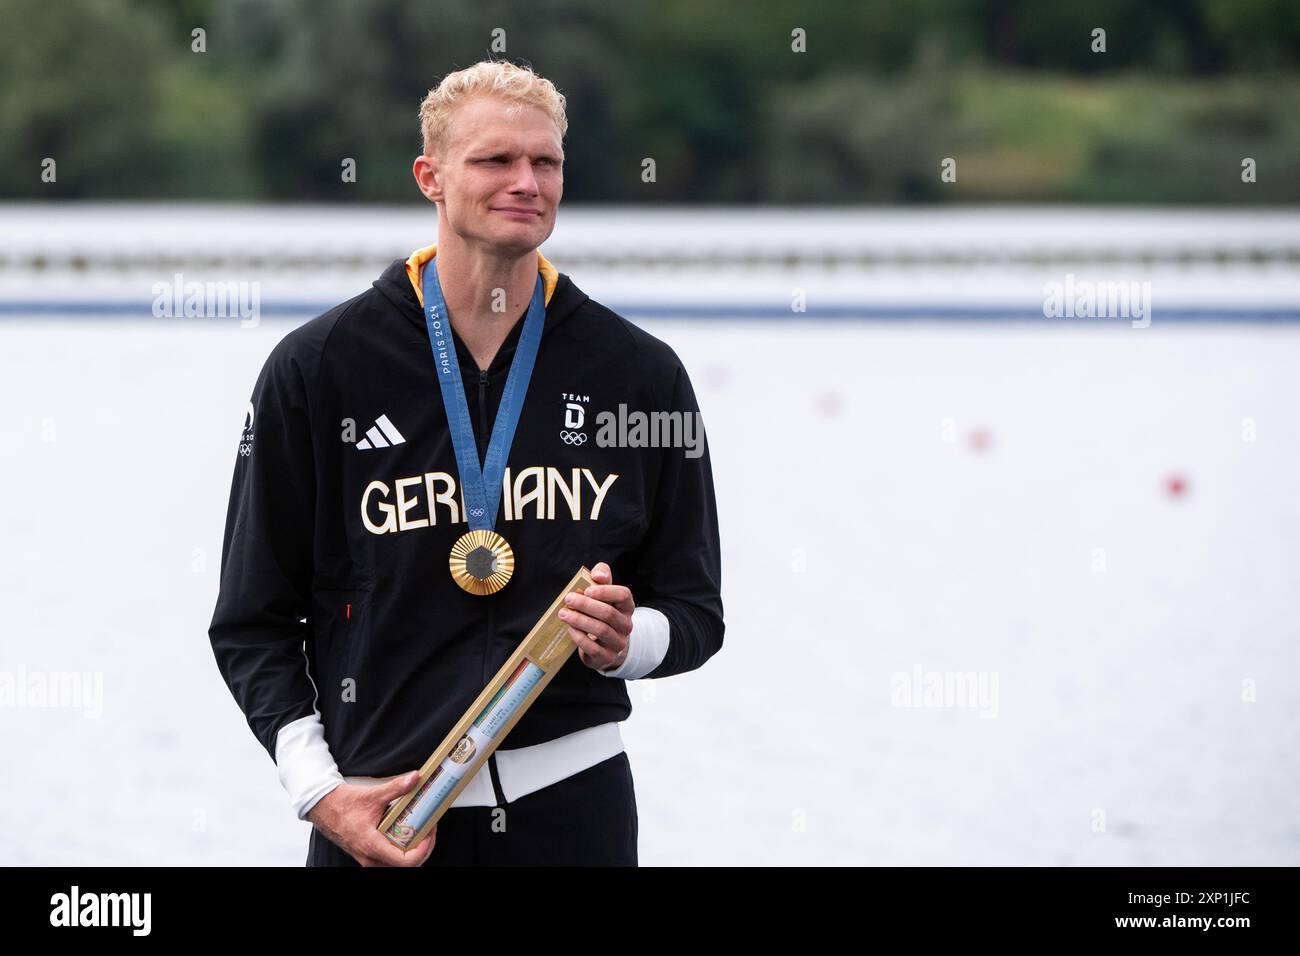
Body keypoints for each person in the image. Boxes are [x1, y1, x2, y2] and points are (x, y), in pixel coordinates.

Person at [207, 59, 724, 866]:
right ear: (431, 177)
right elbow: (251, 622)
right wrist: (321, 795)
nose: (526, 181)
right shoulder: (317, 369)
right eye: (494, 161)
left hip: (575, 811)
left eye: (545, 162)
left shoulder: (640, 373)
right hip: (382, 818)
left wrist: (628, 642)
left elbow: (695, 611)